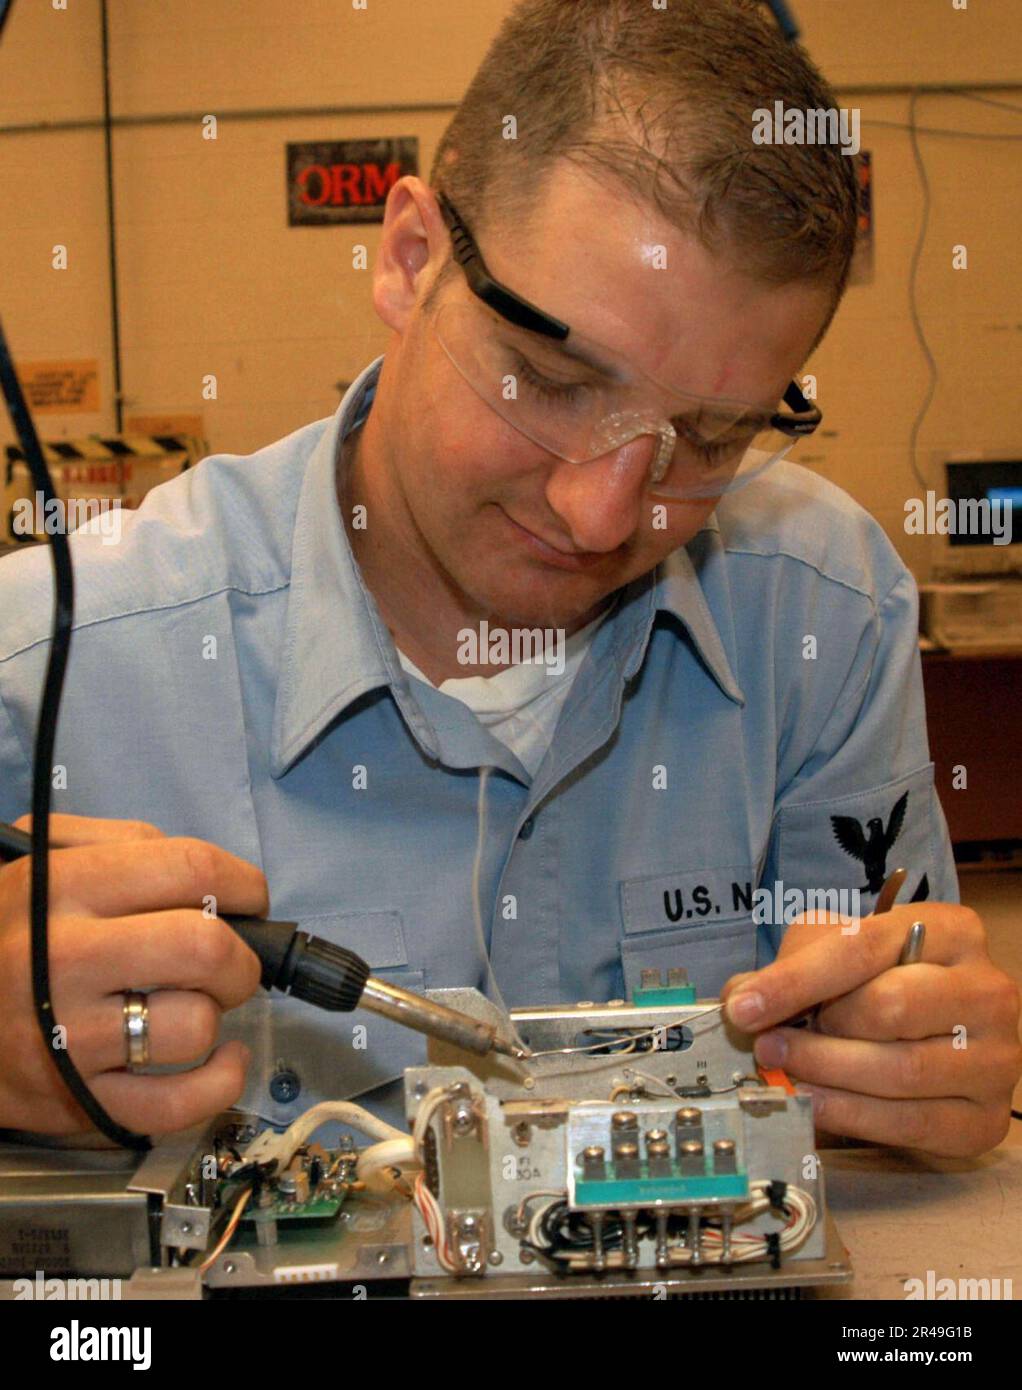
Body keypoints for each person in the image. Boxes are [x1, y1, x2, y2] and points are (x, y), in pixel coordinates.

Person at [0, 0, 1018, 1155]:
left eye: (710, 438)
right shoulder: (50, 669)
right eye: (549, 381)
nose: (599, 514)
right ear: (409, 259)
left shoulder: (821, 614)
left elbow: (893, 1008)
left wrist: (921, 1062)